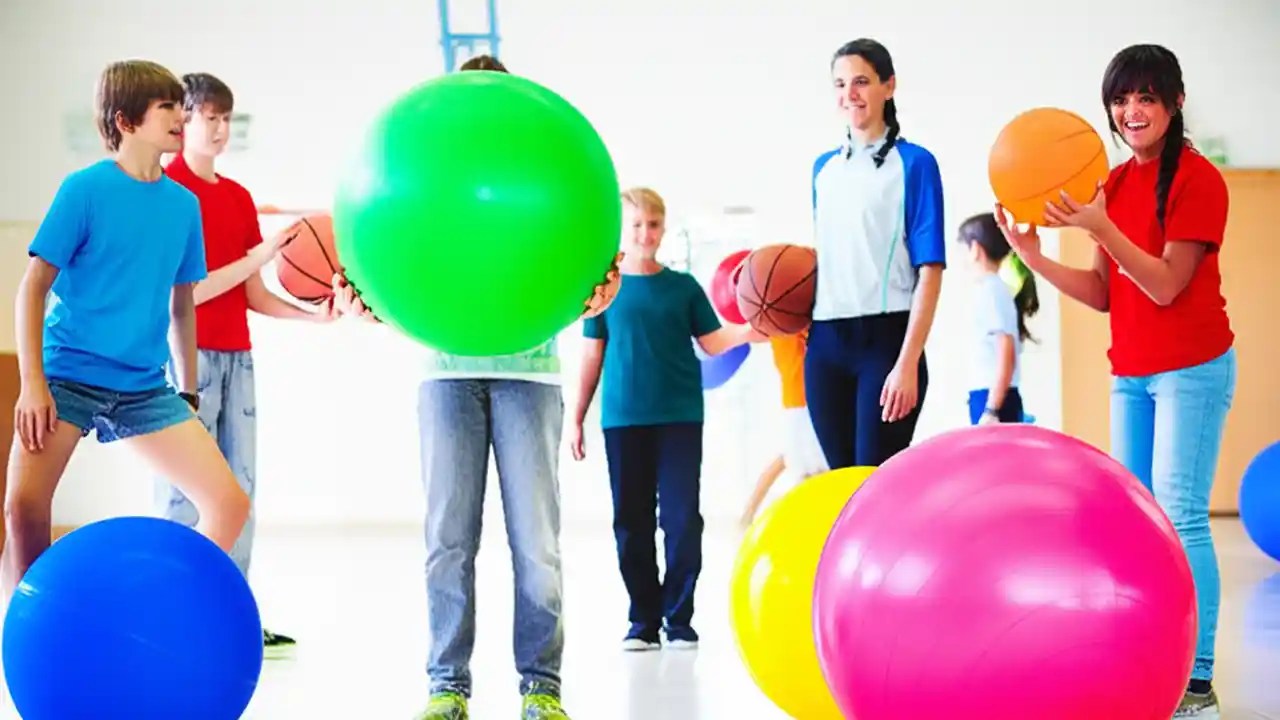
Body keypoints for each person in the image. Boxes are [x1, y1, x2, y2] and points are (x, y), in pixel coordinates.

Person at [334, 53, 619, 720]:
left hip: (529, 375)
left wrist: (604, 287)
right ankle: (447, 686)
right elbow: (399, 260)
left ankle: (541, 687)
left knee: (537, 542)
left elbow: (580, 260)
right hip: (445, 377)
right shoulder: (427, 171)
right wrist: (362, 297)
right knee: (448, 539)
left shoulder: (535, 162)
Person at [997, 44, 1234, 717]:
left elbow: (1163, 285)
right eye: (1123, 99)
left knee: (1183, 515)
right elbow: (1106, 292)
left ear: (1175, 104)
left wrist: (1100, 225)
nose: (1133, 111)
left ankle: (1199, 681)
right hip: (1130, 371)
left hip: (1192, 366)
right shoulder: (1115, 185)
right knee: (1140, 521)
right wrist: (1034, 256)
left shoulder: (1199, 180)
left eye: (1147, 97)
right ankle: (1149, 656)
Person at [3, 60, 249, 599]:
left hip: (143, 385)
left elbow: (183, 304)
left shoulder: (184, 206)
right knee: (24, 507)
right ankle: (25, 634)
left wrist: (186, 389)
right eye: (167, 107)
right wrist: (32, 385)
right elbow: (32, 288)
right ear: (126, 120)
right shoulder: (84, 189)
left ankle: (163, 605)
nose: (180, 116)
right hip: (66, 375)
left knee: (229, 505)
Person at [155, 71, 336, 658]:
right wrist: (257, 254)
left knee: (240, 490)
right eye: (208, 116)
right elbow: (188, 293)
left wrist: (317, 318)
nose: (219, 127)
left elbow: (252, 294)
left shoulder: (235, 198)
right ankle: (175, 616)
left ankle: (230, 616)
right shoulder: (166, 192)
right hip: (186, 363)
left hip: (239, 360)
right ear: (184, 120)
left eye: (226, 117)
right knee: (184, 494)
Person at [570, 187, 762, 652]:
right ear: (623, 229)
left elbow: (715, 341)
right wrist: (575, 417)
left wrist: (759, 328)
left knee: (681, 520)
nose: (645, 233)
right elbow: (592, 355)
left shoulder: (683, 288)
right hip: (623, 420)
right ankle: (643, 620)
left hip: (678, 418)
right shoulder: (605, 291)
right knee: (631, 522)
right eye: (636, 224)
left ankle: (679, 620)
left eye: (653, 224)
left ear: (663, 227)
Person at [806, 38, 946, 470]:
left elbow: (931, 269)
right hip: (825, 342)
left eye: (862, 81)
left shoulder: (915, 164)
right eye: (840, 84)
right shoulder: (822, 170)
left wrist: (907, 363)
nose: (850, 93)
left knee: (874, 482)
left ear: (889, 86)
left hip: (886, 343)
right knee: (840, 486)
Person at [738, 330, 828, 527]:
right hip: (805, 401)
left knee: (791, 460)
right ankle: (805, 524)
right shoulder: (792, 322)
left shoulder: (775, 324)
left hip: (797, 400)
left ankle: (749, 512)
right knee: (811, 469)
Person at [955, 213, 1039, 425]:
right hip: (989, 396)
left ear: (975, 249)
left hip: (994, 400)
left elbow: (1006, 351)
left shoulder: (991, 291)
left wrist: (992, 409)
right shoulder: (991, 290)